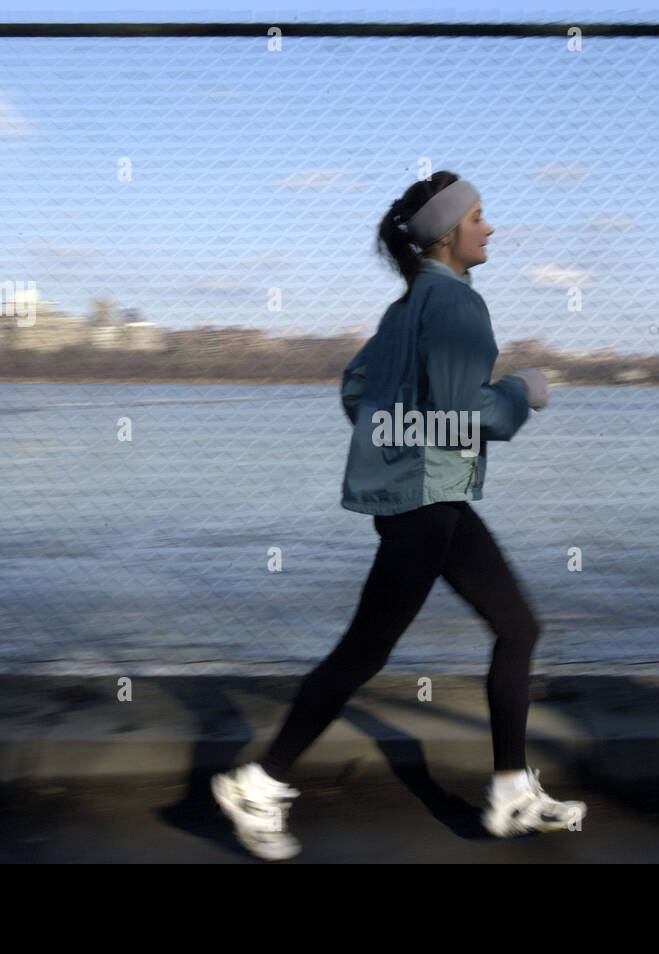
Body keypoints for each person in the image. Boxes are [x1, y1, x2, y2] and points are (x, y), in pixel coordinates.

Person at [212, 172, 586, 861]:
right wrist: (520, 392)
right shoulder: (456, 307)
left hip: (429, 499)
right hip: (426, 505)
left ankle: (509, 790)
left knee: (518, 626)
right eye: (479, 216)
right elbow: (461, 417)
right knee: (365, 650)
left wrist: (393, 438)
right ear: (448, 233)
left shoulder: (409, 304)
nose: (490, 227)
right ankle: (258, 782)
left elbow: (357, 391)